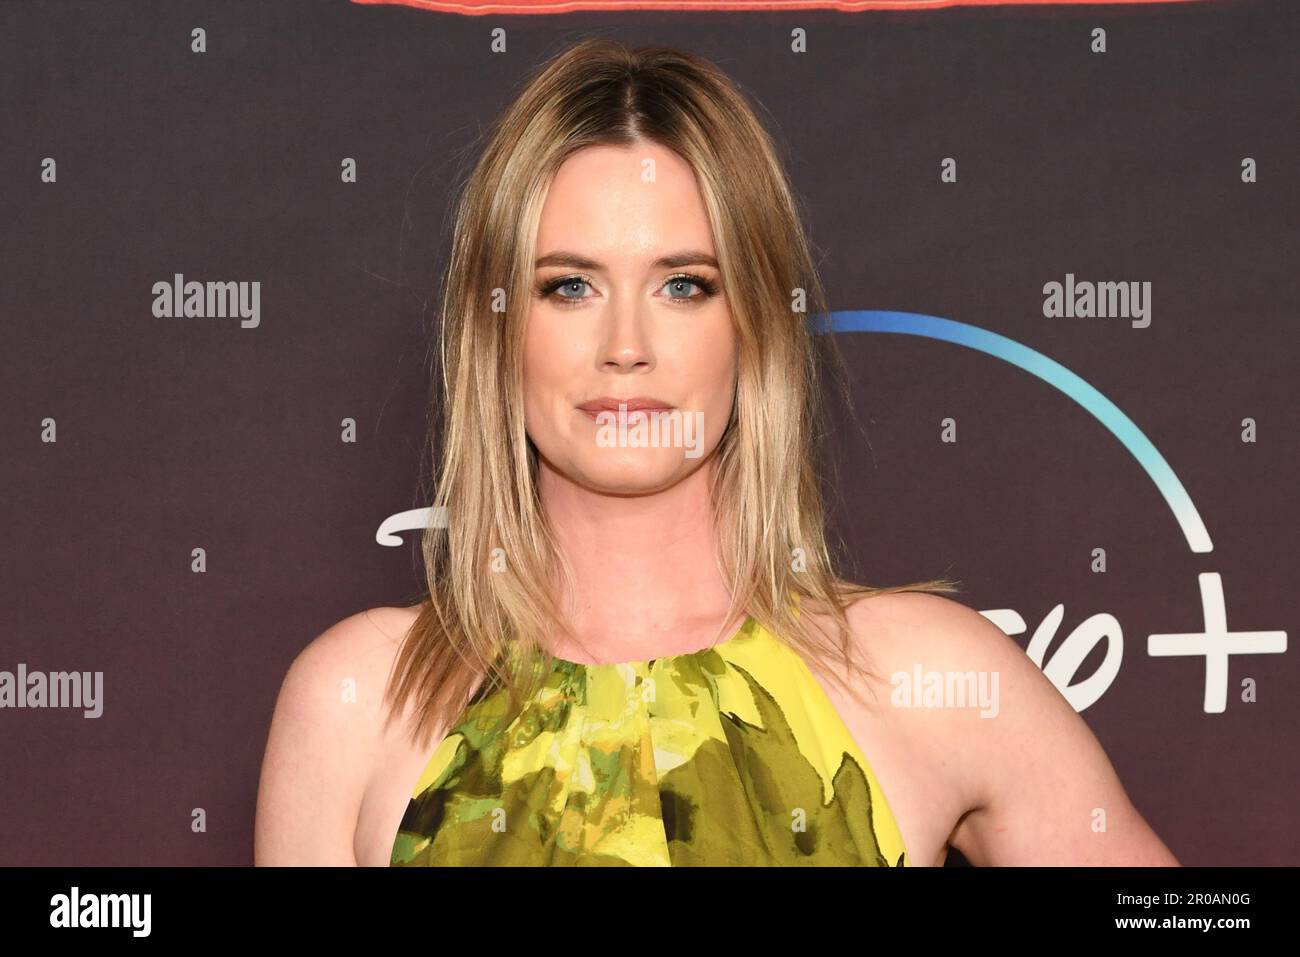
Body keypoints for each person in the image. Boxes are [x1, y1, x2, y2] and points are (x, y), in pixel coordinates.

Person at [254, 37, 1178, 867]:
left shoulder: (926, 679)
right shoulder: (357, 703)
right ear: (494, 329)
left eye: (685, 285)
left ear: (757, 327)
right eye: (569, 286)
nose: (626, 343)